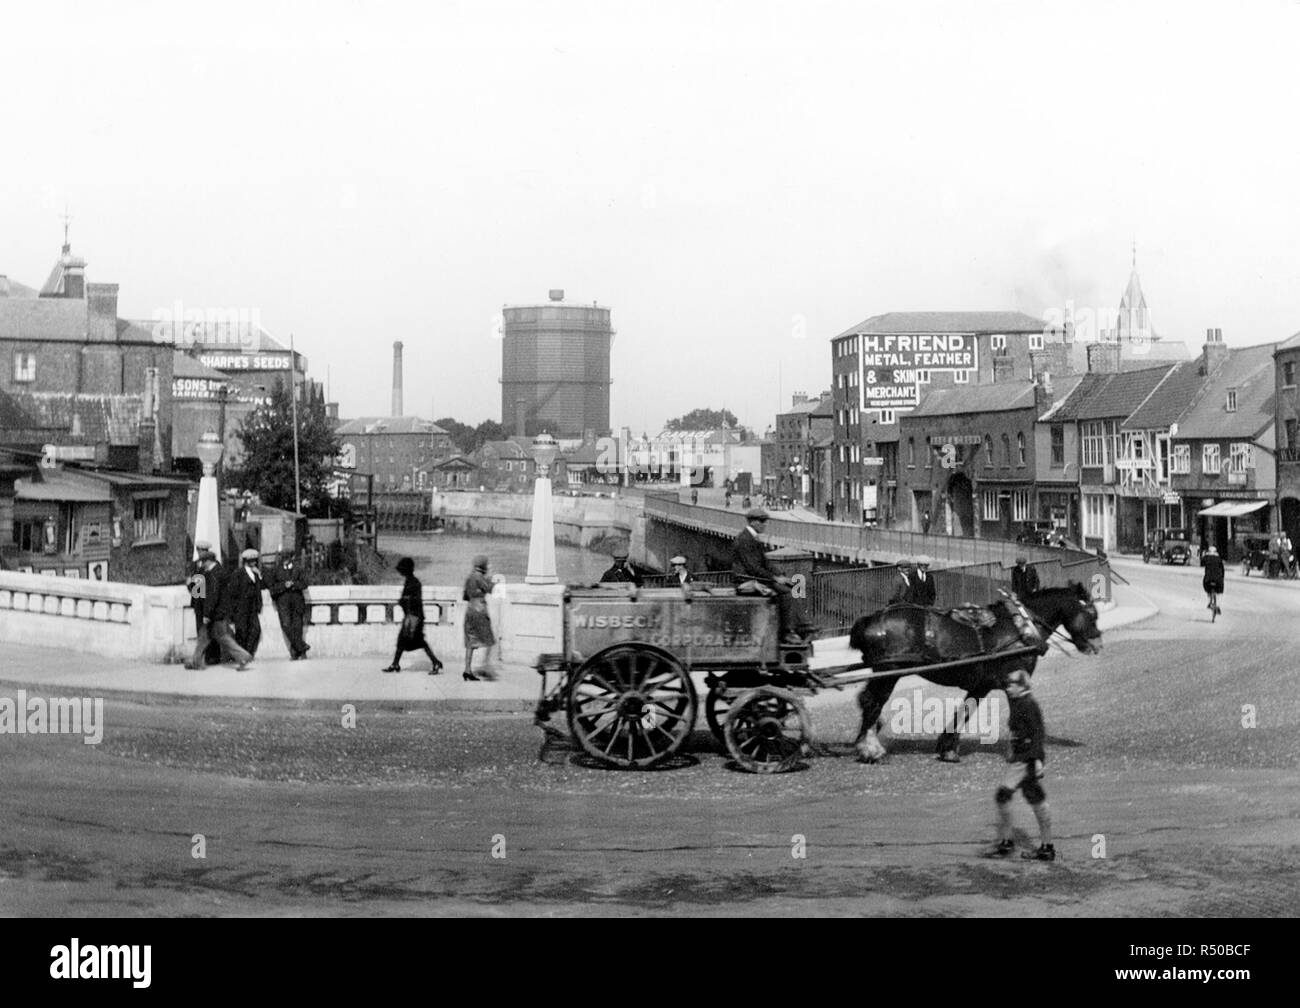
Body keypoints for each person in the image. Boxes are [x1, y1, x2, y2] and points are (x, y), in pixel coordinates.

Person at [989, 668, 1055, 861]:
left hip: (1025, 759)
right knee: (1035, 798)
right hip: (1022, 757)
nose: (1008, 688)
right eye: (1008, 685)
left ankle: (1007, 844)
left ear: (1022, 686)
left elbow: (1038, 733)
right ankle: (1046, 847)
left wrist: (1036, 760)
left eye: (1012, 685)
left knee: (1003, 796)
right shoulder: (1020, 702)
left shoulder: (1028, 705)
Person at [730, 507, 807, 645]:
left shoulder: (751, 538)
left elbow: (765, 562)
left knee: (790, 588)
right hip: (746, 581)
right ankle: (787, 633)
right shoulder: (745, 540)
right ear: (753, 522)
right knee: (787, 594)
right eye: (762, 521)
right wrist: (774, 578)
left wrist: (779, 574)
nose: (765, 524)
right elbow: (752, 567)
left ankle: (800, 626)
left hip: (754, 578)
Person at [384, 557, 443, 674]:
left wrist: (404, 600)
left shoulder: (414, 583)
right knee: (403, 640)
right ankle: (395, 663)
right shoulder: (411, 581)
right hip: (412, 617)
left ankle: (436, 662)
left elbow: (414, 601)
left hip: (414, 618)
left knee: (418, 641)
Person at [201, 552, 254, 670]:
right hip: (221, 610)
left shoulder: (214, 573)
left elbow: (212, 595)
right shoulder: (219, 570)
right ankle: (195, 660)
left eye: (203, 561)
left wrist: (207, 613)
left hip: (216, 612)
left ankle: (243, 656)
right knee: (207, 636)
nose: (202, 564)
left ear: (209, 560)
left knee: (222, 637)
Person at [268, 547, 310, 660]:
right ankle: (301, 647)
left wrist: (294, 584)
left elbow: (305, 583)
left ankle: (296, 652)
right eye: (283, 557)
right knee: (286, 625)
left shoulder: (299, 569)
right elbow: (272, 588)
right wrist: (283, 586)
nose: (285, 560)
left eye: (287, 557)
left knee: (298, 627)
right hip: (283, 602)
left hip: (297, 601)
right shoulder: (276, 570)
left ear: (292, 557)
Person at [462, 555, 497, 681]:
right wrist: (492, 576)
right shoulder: (480, 577)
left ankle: (467, 669)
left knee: (470, 642)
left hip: (470, 610)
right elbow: (490, 589)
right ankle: (485, 667)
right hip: (480, 610)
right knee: (490, 640)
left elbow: (465, 596)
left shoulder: (469, 577)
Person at [228, 548, 266, 657]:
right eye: (251, 560)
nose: (254, 562)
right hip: (241, 608)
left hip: (253, 607)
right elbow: (233, 592)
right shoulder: (238, 573)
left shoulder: (255, 573)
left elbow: (262, 586)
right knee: (241, 632)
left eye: (255, 560)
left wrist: (259, 575)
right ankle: (241, 655)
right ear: (246, 561)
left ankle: (247, 653)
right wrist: (234, 610)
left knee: (255, 630)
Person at [1202, 545, 1225, 616]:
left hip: (1208, 579)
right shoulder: (1219, 558)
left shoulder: (1206, 557)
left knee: (1207, 587)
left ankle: (1209, 601)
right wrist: (1222, 577)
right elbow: (1222, 569)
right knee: (1219, 592)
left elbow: (1202, 563)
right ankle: (1218, 605)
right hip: (1218, 579)